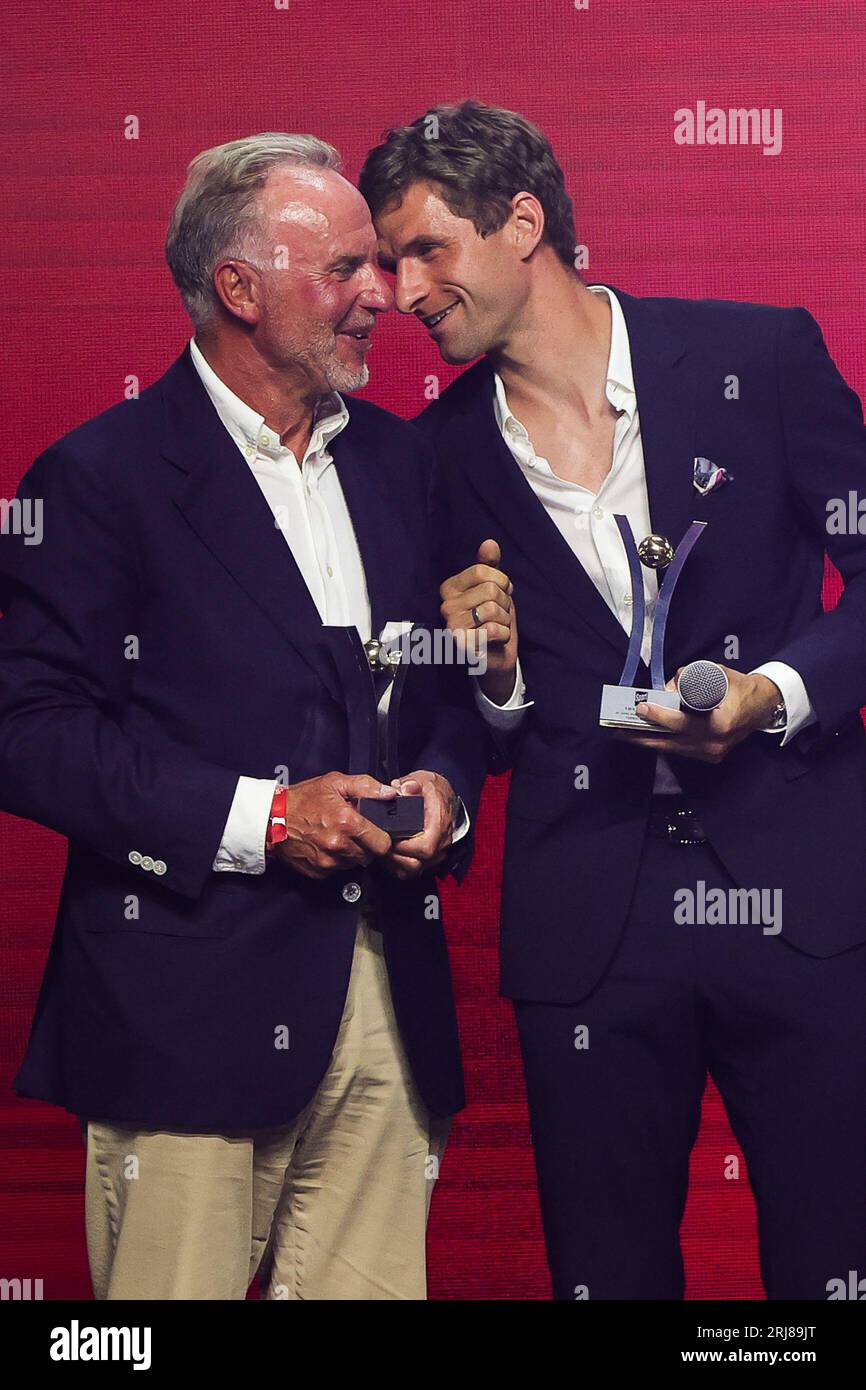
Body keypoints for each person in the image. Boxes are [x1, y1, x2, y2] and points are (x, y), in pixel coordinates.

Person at [360, 100, 866, 1300]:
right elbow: (444, 714)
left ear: (522, 221)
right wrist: (491, 679)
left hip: (800, 891)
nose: (401, 288)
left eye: (425, 248)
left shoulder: (760, 357)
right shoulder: (428, 458)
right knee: (606, 1276)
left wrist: (775, 691)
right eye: (386, 260)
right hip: (588, 921)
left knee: (835, 1264)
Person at [0, 132, 486, 1301]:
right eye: (346, 271)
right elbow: (29, 734)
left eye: (379, 267)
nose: (383, 295)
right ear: (238, 287)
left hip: (386, 1010)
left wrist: (444, 787)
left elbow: (447, 697)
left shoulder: (402, 466)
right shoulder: (98, 479)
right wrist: (264, 818)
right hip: (183, 1022)